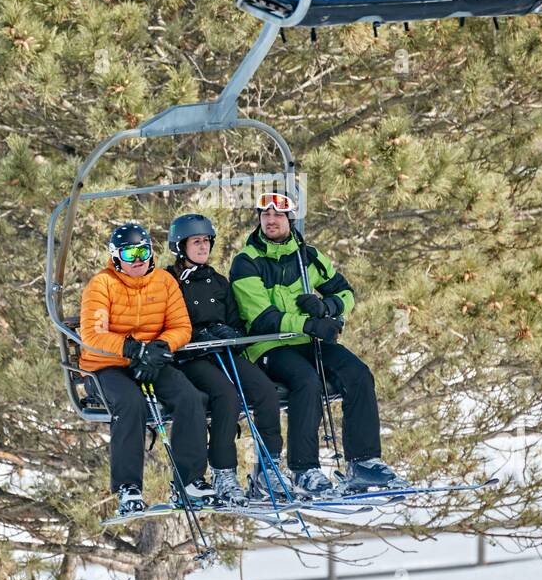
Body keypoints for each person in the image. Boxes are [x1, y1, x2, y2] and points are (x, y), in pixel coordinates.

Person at [229, 192, 406, 498]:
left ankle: (363, 462)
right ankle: (303, 468)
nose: (270, 221)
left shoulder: (308, 256)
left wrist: (328, 307)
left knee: (358, 374)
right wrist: (309, 323)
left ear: (290, 219)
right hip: (268, 346)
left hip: (306, 341)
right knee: (306, 381)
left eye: (278, 216)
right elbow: (262, 317)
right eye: (265, 215)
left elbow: (346, 291)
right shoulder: (247, 261)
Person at [78, 222, 214, 516]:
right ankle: (129, 488)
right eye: (129, 254)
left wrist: (159, 349)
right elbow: (93, 333)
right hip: (106, 365)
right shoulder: (101, 285)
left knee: (191, 398)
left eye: (143, 251)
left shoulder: (164, 281)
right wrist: (131, 348)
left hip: (151, 361)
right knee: (130, 403)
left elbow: (181, 327)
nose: (138, 259)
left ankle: (189, 480)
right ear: (116, 257)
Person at [165, 213, 287, 505]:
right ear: (180, 246)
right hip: (191, 358)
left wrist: (227, 331)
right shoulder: (169, 282)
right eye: (196, 242)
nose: (203, 247)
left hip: (224, 352)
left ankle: (268, 468)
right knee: (226, 396)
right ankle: (224, 472)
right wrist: (196, 336)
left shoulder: (217, 280)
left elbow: (236, 320)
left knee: (265, 391)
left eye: (207, 241)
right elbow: (165, 321)